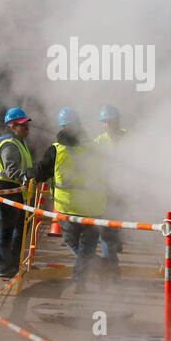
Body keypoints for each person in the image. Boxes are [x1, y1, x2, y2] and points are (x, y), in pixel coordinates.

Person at [37, 107, 106, 293]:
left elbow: (40, 173)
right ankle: (91, 273)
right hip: (93, 208)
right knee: (87, 247)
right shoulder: (94, 149)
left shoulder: (55, 150)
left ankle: (83, 279)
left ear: (63, 126)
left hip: (68, 209)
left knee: (74, 243)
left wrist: (28, 174)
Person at [0, 106, 34, 279]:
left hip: (12, 190)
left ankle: (14, 264)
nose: (26, 127)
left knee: (20, 227)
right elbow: (13, 171)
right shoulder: (9, 145)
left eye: (26, 124)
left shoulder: (19, 143)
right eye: (22, 125)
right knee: (8, 229)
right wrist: (30, 174)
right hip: (4, 190)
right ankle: (4, 266)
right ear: (12, 126)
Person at [93, 105, 127, 271]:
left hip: (124, 188)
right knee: (107, 229)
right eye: (105, 122)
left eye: (110, 121)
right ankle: (112, 265)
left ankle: (115, 245)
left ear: (117, 121)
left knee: (116, 225)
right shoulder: (99, 141)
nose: (108, 125)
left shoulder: (127, 137)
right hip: (106, 190)